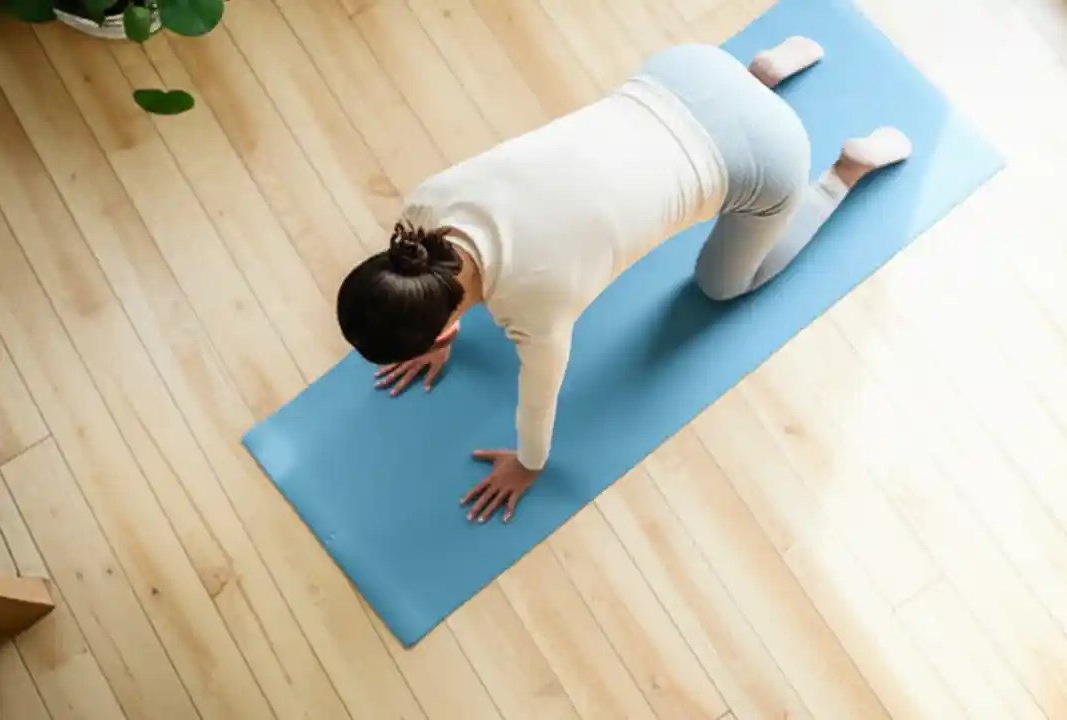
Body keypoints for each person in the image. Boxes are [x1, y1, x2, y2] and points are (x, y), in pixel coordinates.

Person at [337, 37, 912, 524]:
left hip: (769, 154)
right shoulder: (420, 212)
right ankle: (760, 72)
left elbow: (538, 407)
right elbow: (443, 274)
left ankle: (845, 173)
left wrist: (528, 465)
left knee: (720, 286)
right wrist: (437, 323)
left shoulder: (537, 309)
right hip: (687, 70)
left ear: (443, 319)